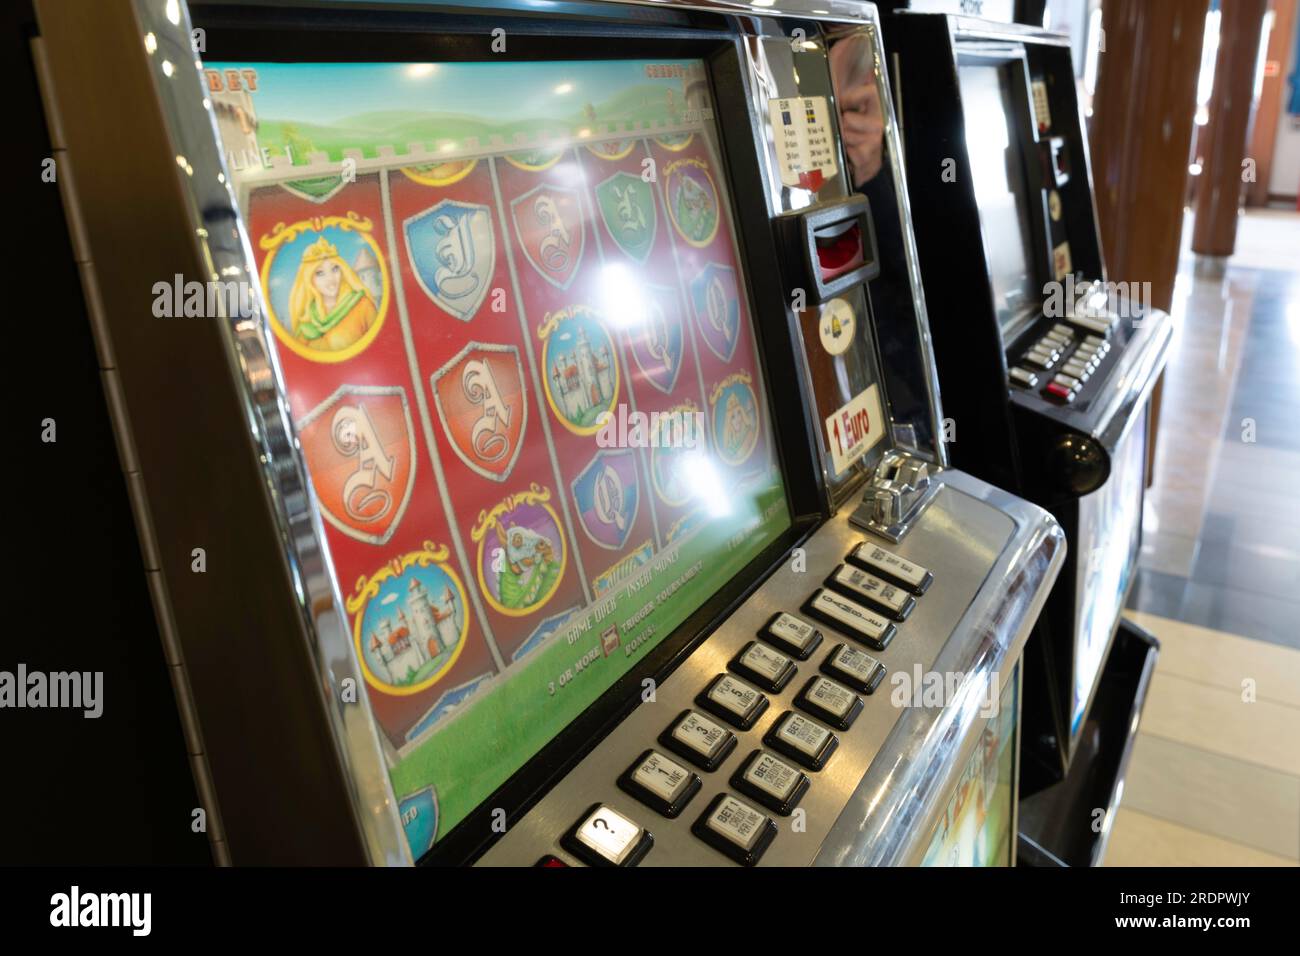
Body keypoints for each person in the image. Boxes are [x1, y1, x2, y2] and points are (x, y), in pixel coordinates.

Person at [286, 236, 378, 352]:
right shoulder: (306, 322)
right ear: (309, 280)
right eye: (320, 273)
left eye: (335, 269)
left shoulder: (363, 307)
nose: (331, 279)